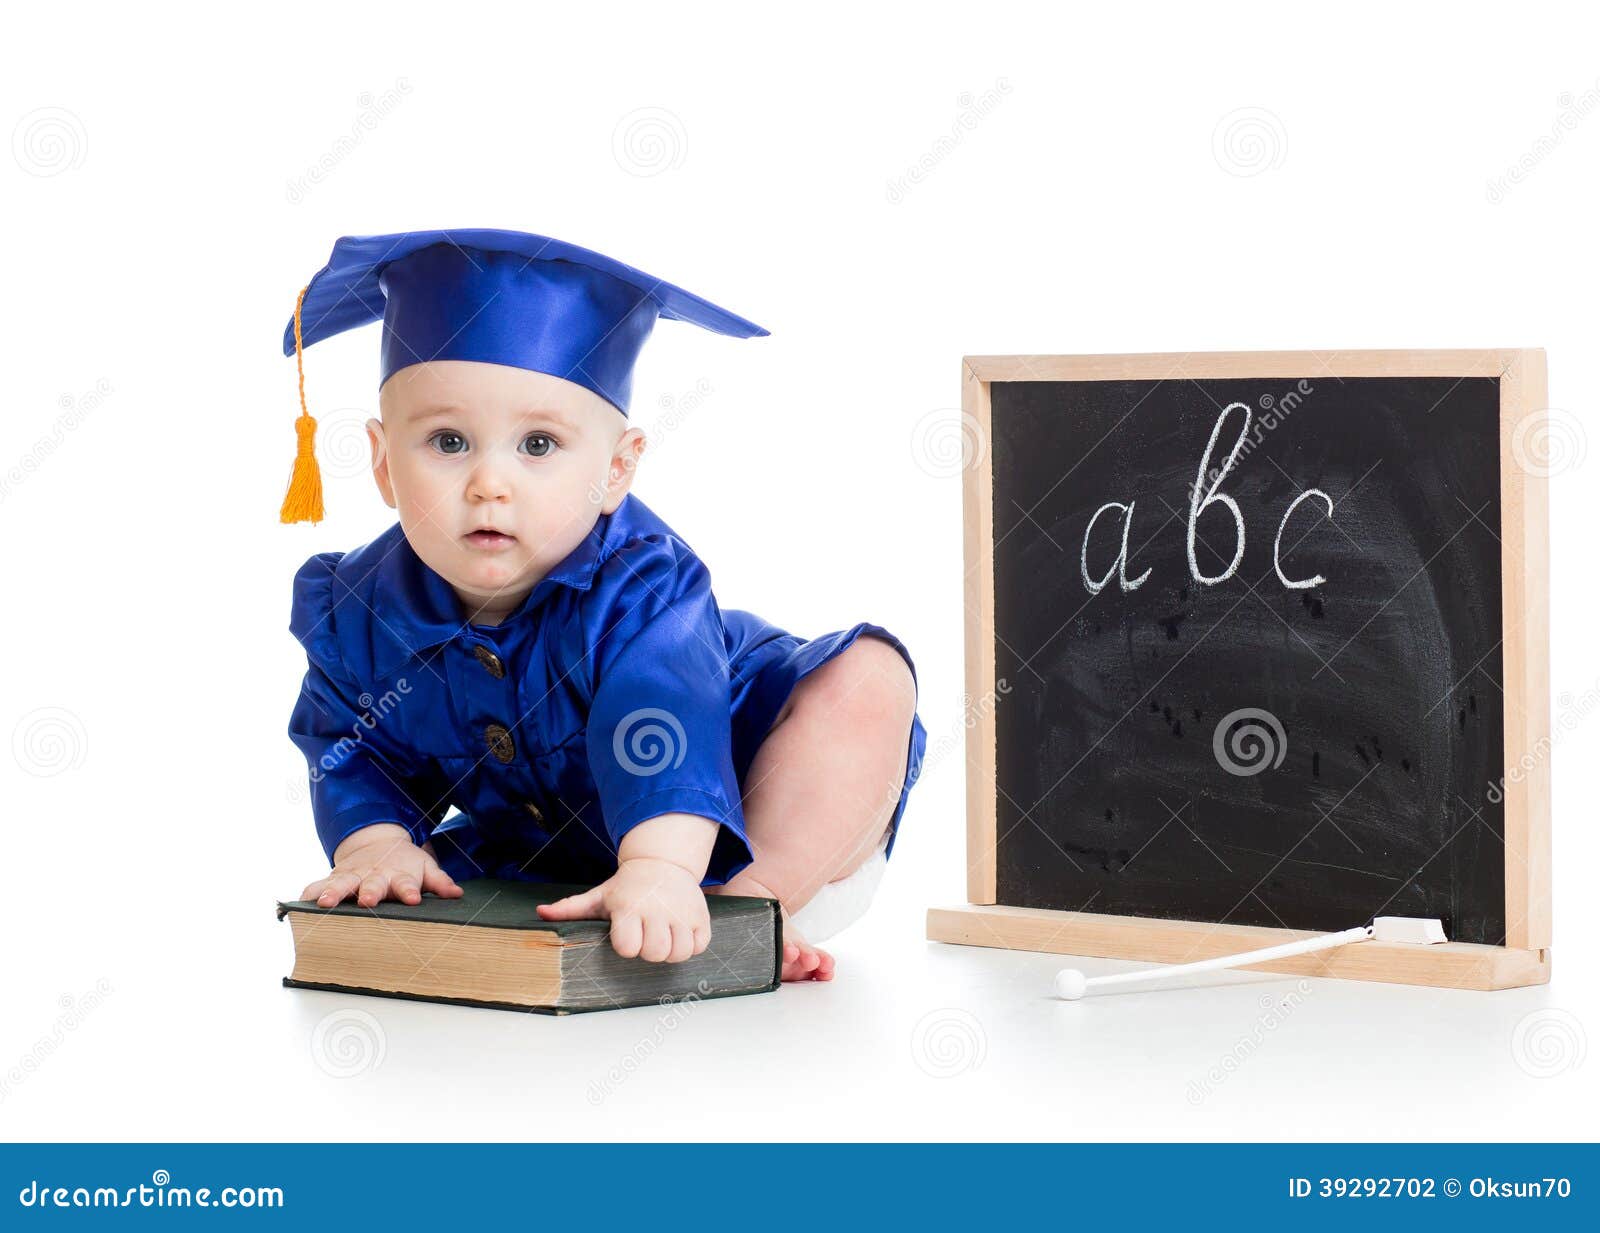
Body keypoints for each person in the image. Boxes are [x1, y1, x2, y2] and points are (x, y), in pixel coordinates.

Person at [284, 229, 925, 982]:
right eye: (449, 440)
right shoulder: (357, 611)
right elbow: (352, 746)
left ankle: (754, 911)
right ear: (384, 464)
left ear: (616, 470)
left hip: (746, 795)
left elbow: (665, 712)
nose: (491, 482)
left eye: (539, 445)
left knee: (867, 680)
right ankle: (668, 895)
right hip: (550, 855)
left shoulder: (644, 589)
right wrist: (377, 842)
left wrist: (661, 862)